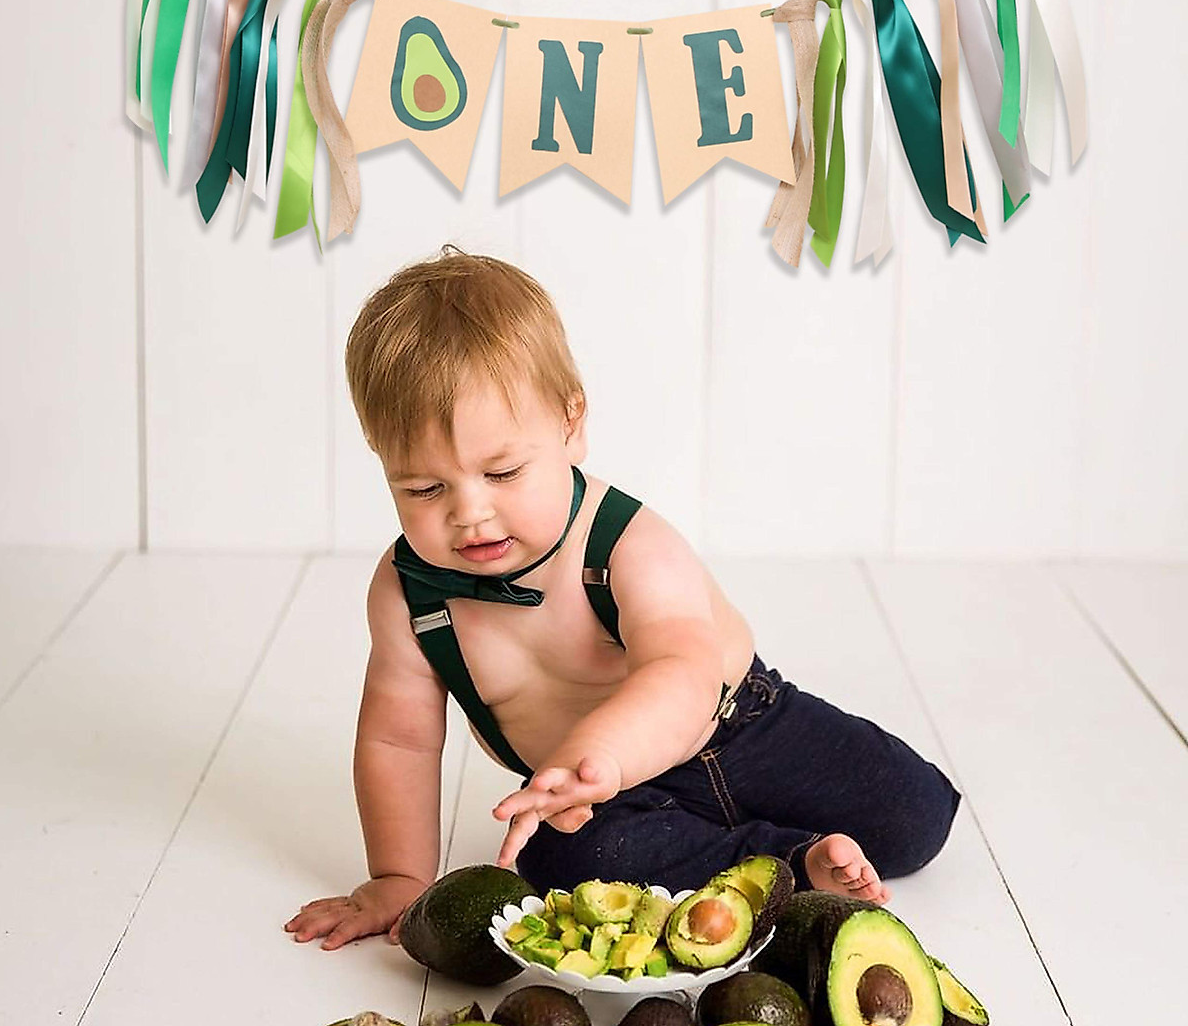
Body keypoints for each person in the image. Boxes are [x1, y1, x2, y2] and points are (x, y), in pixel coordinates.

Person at [284, 244, 961, 952]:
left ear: (571, 424)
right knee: (563, 864)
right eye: (424, 488)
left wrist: (599, 750)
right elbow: (399, 738)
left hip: (740, 729)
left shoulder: (621, 545)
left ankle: (770, 833)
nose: (470, 513)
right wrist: (398, 878)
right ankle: (794, 864)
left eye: (504, 472)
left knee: (914, 819)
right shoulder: (408, 596)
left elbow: (683, 667)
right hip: (606, 800)